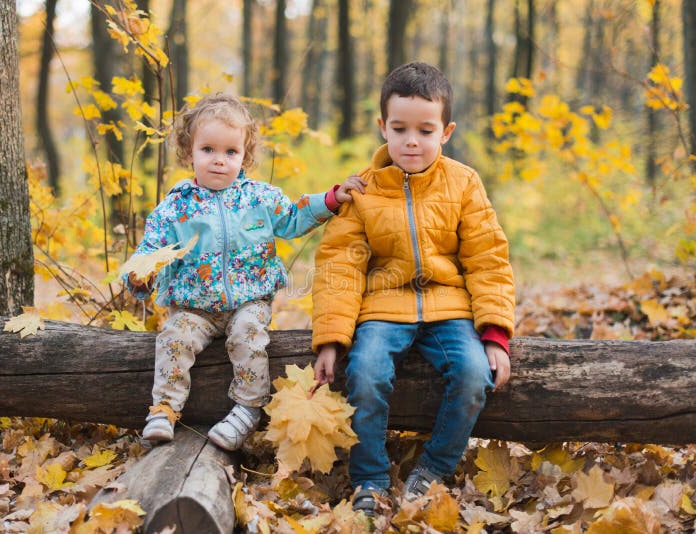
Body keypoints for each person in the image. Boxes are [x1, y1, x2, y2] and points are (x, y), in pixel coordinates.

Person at [311, 62, 515, 515]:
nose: (411, 141)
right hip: (383, 306)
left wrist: (495, 334)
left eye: (425, 130)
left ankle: (433, 469)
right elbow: (339, 267)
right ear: (382, 126)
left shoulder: (464, 183)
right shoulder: (361, 190)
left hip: (450, 307)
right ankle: (369, 478)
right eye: (399, 128)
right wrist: (330, 337)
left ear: (446, 131)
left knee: (470, 374)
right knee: (363, 374)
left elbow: (488, 259)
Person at [125, 93, 365, 451]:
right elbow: (152, 252)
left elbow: (293, 217)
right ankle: (164, 408)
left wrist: (330, 199)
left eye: (230, 152)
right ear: (189, 152)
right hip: (194, 308)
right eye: (208, 150)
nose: (219, 161)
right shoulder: (174, 207)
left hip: (248, 300)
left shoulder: (258, 198)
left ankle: (247, 408)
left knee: (248, 334)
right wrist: (140, 276)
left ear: (245, 156)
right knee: (174, 338)